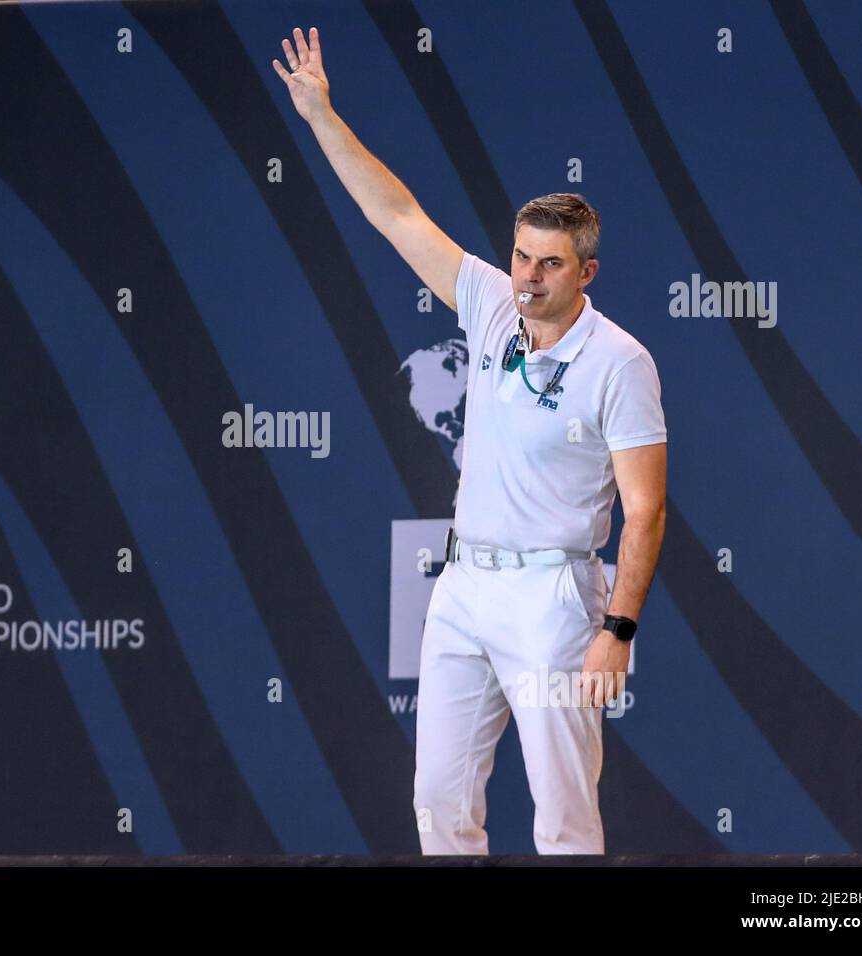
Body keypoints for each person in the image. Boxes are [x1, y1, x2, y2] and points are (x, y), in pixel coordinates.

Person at [274, 27, 667, 854]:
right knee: (438, 805)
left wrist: (617, 630)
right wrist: (320, 117)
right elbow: (396, 213)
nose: (527, 276)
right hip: (463, 589)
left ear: (585, 272)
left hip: (556, 603)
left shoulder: (621, 363)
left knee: (563, 820)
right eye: (521, 256)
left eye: (549, 265)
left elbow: (646, 509)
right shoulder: (488, 300)